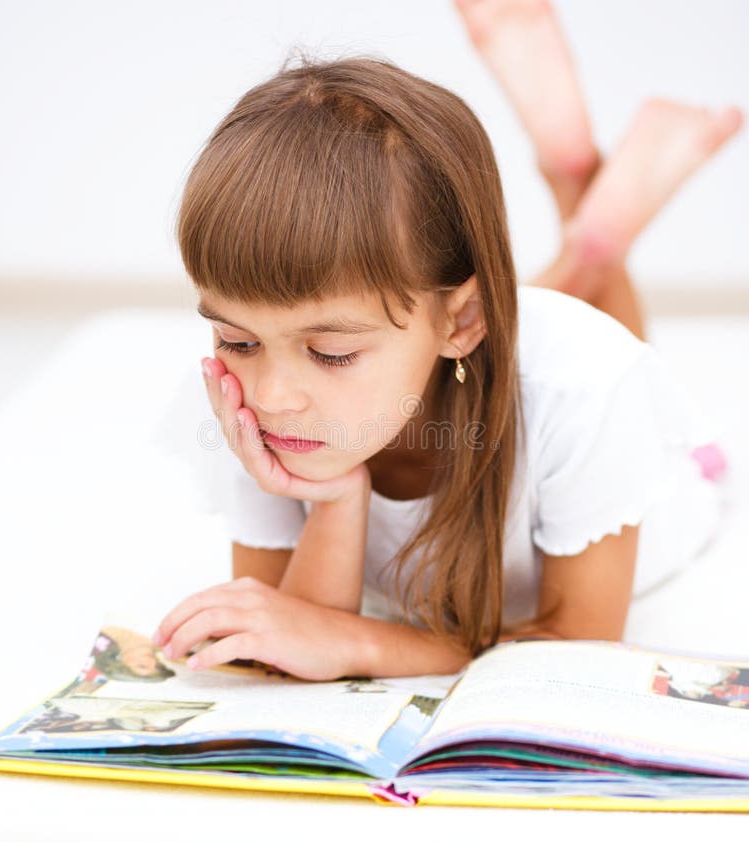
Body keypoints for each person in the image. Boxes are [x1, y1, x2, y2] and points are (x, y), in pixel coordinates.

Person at [152, 2, 743, 682]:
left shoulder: (583, 385)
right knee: (507, 330)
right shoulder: (249, 396)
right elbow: (286, 636)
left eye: (332, 353)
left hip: (668, 476)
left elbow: (576, 646)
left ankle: (584, 215)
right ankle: (588, 228)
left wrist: (362, 644)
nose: (274, 396)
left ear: (463, 323)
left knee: (576, 350)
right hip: (477, 340)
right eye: (235, 338)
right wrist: (338, 499)